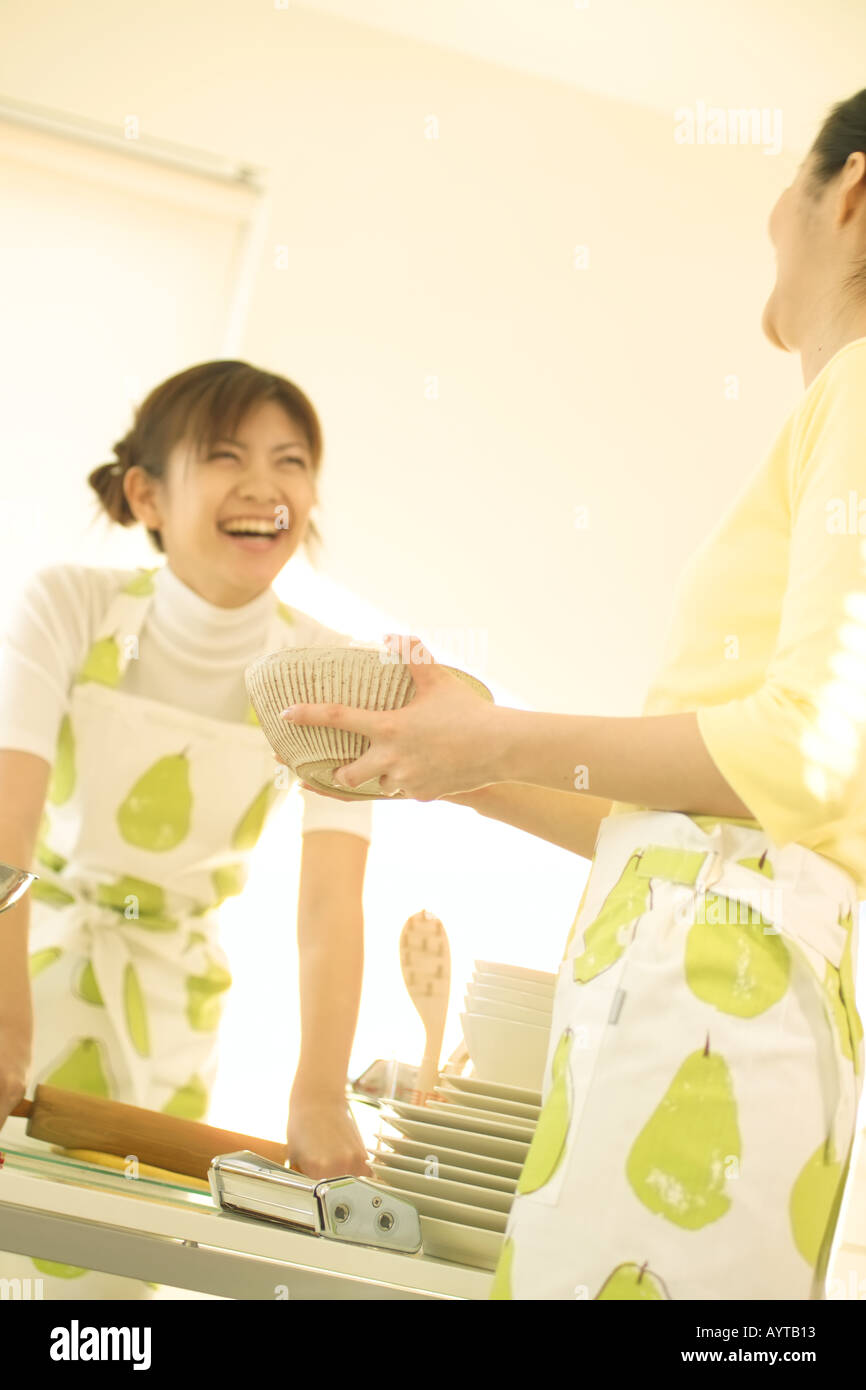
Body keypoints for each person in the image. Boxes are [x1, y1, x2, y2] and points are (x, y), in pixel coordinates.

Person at [281, 90, 866, 1299]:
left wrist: (484, 731)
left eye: (784, 191)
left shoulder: (855, 394)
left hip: (711, 1016)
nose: (771, 222)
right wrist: (456, 763)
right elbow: (722, 819)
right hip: (722, 1000)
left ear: (847, 199)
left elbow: (805, 755)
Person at [0, 360, 374, 1298]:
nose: (264, 486)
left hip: (178, 1015)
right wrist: (5, 1030)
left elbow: (329, 905)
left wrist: (319, 1092)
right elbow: (5, 837)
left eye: (291, 462)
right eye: (226, 456)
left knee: (107, 1307)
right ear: (148, 494)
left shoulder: (330, 672)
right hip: (24, 968)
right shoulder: (70, 606)